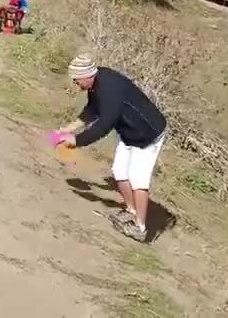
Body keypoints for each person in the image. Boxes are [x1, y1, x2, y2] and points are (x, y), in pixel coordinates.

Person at [54, 54, 168, 242]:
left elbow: (103, 126)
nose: (76, 84)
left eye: (76, 80)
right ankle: (131, 211)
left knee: (138, 179)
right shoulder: (95, 84)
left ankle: (140, 227)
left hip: (148, 134)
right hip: (127, 131)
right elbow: (92, 111)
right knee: (119, 172)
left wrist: (76, 140)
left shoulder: (109, 90)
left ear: (87, 75)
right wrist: (68, 129)